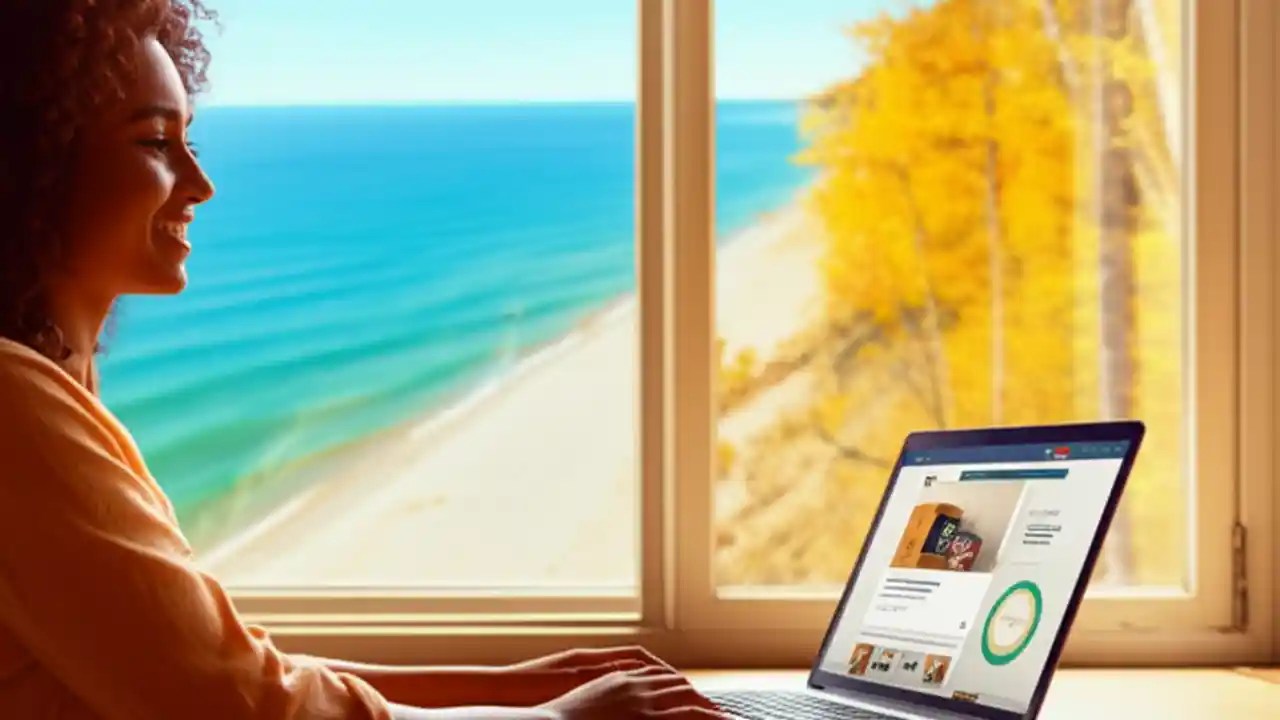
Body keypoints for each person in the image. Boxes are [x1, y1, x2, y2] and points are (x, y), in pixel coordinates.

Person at [0, 2, 728, 718]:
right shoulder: (14, 407)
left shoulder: (47, 386)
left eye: (189, 140)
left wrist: (512, 687)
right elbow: (242, 706)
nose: (198, 183)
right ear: (38, 156)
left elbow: (229, 670)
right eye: (155, 144)